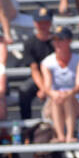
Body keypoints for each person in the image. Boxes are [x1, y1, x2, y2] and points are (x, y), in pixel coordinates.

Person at [16, 7, 58, 138]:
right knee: (24, 91)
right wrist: (44, 88)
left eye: (46, 22)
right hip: (39, 78)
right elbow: (34, 69)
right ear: (35, 23)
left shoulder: (58, 41)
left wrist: (47, 89)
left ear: (50, 23)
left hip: (57, 77)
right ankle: (26, 128)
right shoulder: (30, 43)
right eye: (40, 22)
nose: (43, 26)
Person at [42, 26, 79, 142]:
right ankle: (61, 135)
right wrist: (56, 94)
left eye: (60, 40)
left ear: (69, 41)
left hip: (74, 101)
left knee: (66, 97)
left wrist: (69, 93)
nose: (57, 43)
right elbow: (47, 87)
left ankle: (69, 135)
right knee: (57, 97)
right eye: (55, 40)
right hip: (54, 101)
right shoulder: (47, 62)